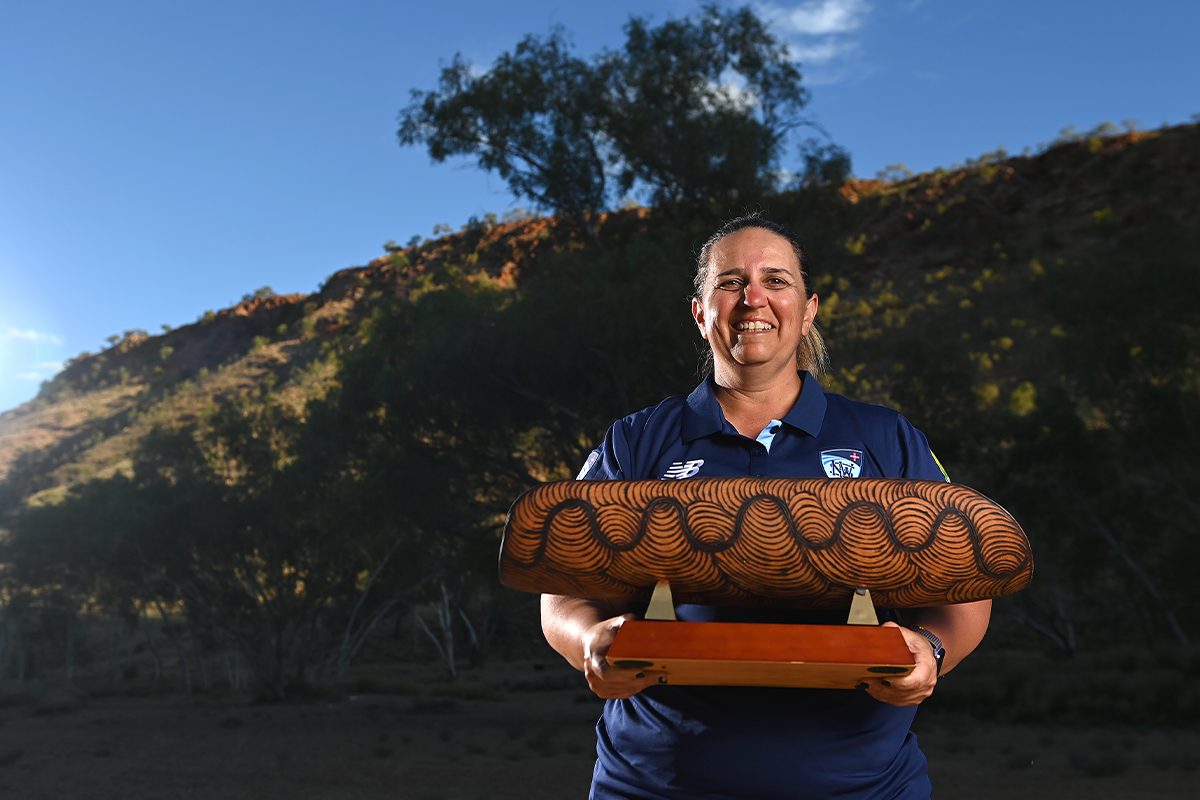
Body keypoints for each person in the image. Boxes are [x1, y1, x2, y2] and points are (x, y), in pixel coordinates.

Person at [541, 215, 991, 800]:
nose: (753, 297)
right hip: (656, 785)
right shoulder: (634, 441)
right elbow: (563, 594)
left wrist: (932, 652)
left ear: (808, 310)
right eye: (730, 282)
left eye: (775, 280)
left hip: (864, 787)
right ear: (701, 313)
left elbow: (964, 587)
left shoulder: (887, 438)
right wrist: (589, 641)